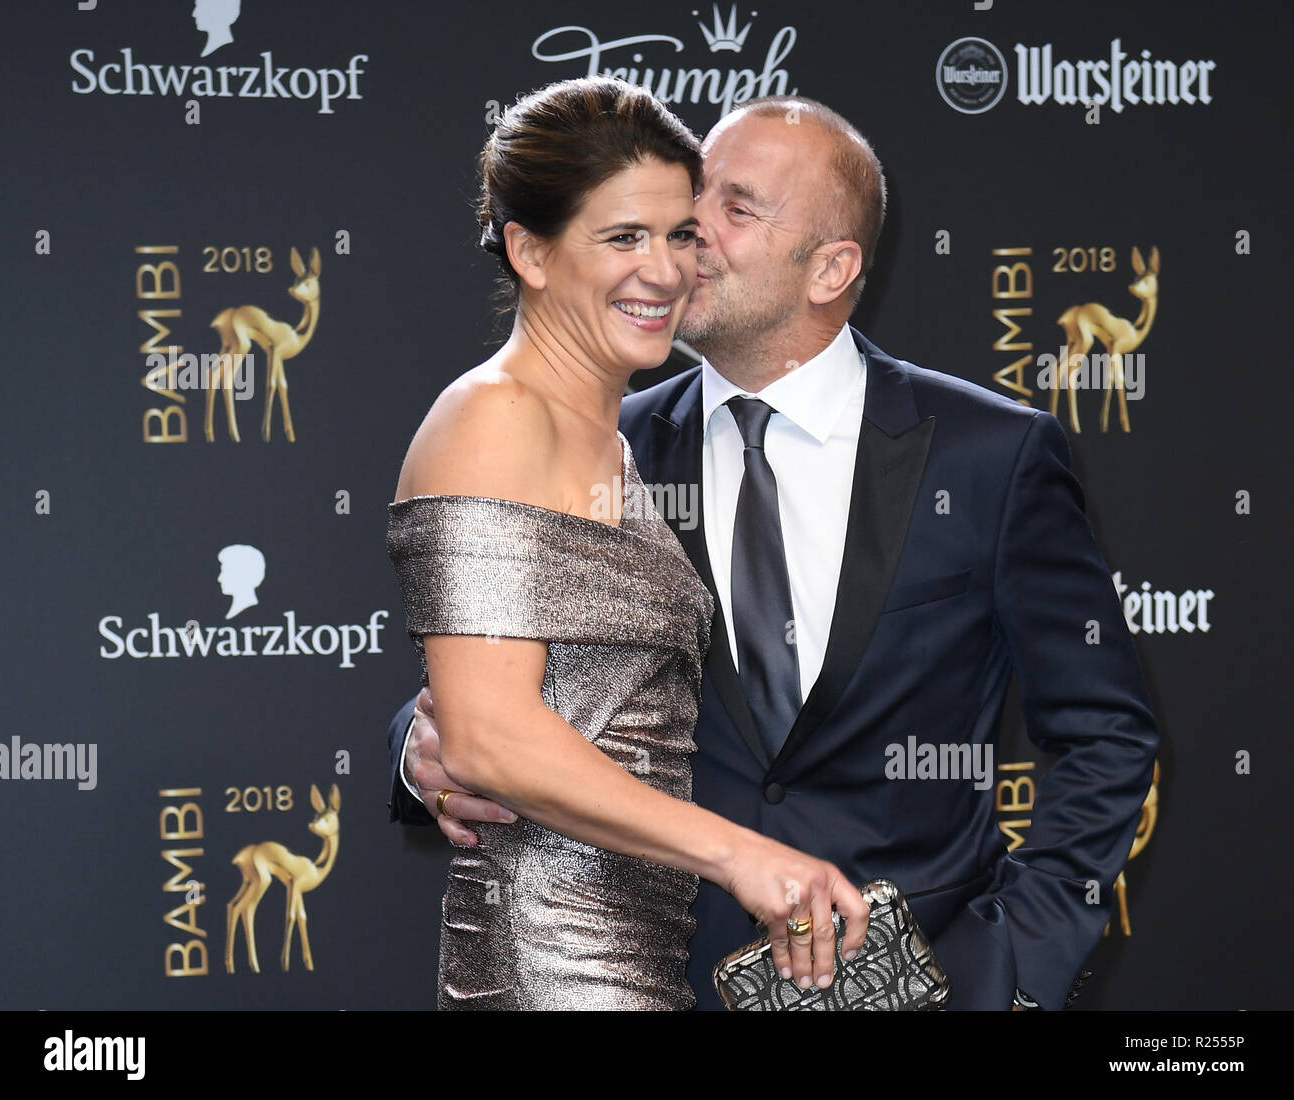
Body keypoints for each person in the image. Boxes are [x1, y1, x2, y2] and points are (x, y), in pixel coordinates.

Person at [391, 94, 1160, 1011]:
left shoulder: (990, 453)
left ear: (831, 267)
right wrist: (422, 748)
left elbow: (1108, 737)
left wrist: (1011, 966)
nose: (687, 241)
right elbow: (510, 675)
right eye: (683, 209)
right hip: (647, 970)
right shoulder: (606, 441)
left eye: (733, 209)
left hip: (917, 980)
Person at [385, 77, 871, 1011]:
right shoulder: (492, 420)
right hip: (552, 962)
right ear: (528, 249)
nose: (666, 270)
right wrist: (742, 852)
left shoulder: (619, 437)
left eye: (680, 235)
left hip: (648, 954)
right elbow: (486, 737)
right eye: (622, 238)